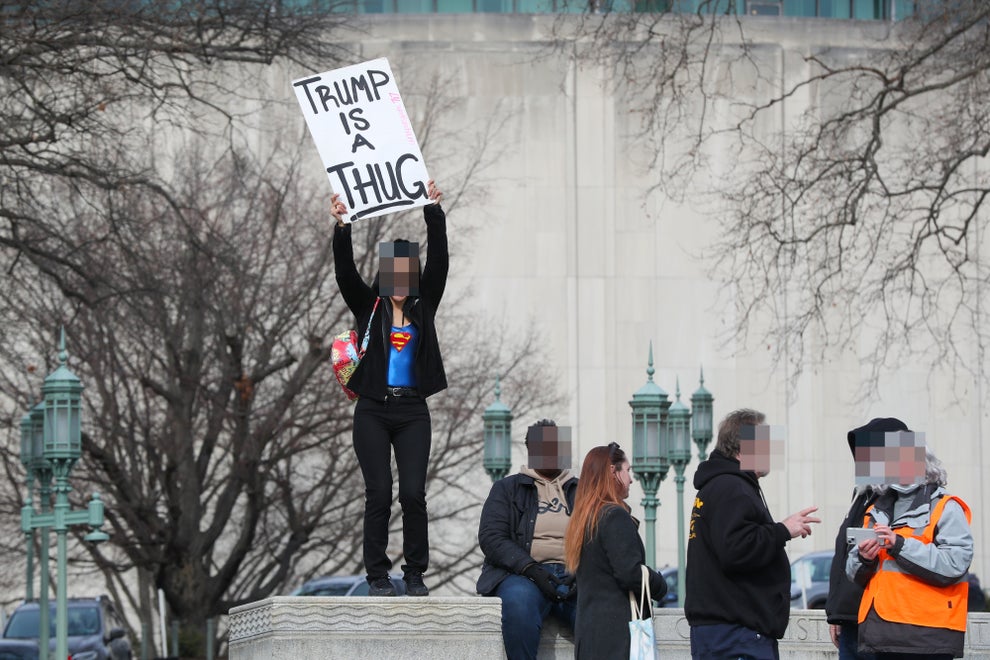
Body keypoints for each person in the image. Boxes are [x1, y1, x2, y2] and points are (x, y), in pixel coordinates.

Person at [331, 180, 447, 597]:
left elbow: (440, 264)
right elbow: (344, 271)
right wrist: (342, 225)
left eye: (406, 273)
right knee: (378, 493)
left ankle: (415, 573)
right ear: (384, 275)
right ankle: (377, 576)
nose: (400, 280)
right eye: (392, 273)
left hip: (413, 411)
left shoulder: (424, 307)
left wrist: (433, 212)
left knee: (413, 494)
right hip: (373, 411)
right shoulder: (369, 307)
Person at [684, 408, 820, 660]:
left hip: (726, 632)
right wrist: (782, 531)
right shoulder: (731, 488)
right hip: (736, 635)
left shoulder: (722, 485)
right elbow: (735, 549)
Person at [847, 446, 974, 659]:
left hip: (927, 636)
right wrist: (864, 558)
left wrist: (899, 544)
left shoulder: (945, 507)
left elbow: (955, 562)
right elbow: (852, 572)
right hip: (879, 635)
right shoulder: (875, 511)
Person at [477, 420, 578, 660]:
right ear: (531, 450)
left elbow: (598, 537)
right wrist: (530, 568)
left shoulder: (580, 490)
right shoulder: (506, 488)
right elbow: (492, 538)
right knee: (519, 604)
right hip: (523, 575)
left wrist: (583, 571)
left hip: (574, 574)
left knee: (599, 611)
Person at [564, 442, 668, 660]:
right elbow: (629, 572)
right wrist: (658, 582)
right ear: (613, 471)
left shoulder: (583, 519)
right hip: (616, 638)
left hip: (589, 636)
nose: (631, 479)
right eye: (627, 470)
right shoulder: (614, 516)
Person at [827, 418, 910, 660]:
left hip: (886, 623)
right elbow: (845, 554)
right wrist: (838, 614)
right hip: (855, 620)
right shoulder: (862, 495)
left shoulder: (907, 497)